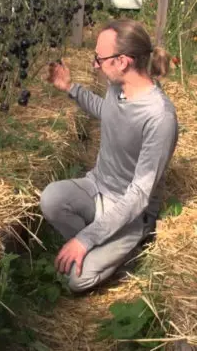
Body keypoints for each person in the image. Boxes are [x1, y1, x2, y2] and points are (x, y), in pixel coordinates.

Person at [42, 19, 179, 294]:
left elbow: (139, 195)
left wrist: (85, 238)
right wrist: (70, 87)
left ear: (123, 62)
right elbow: (108, 113)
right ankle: (100, 242)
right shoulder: (118, 87)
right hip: (97, 185)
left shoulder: (159, 117)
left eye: (99, 58)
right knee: (51, 199)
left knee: (77, 280)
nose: (95, 65)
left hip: (132, 211)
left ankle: (129, 250)